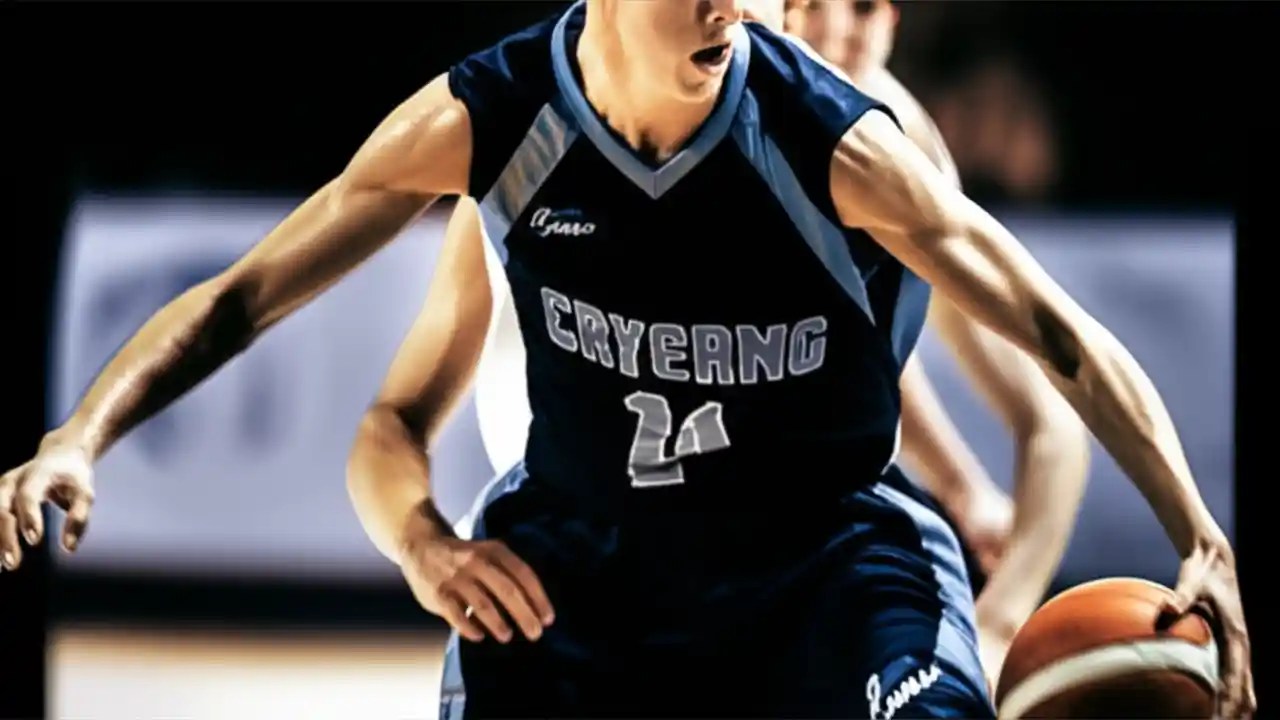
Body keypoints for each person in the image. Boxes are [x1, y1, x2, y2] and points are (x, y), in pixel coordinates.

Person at [1, 1, 1252, 718]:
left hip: (825, 571)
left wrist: (1194, 528)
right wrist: (83, 434)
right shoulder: (492, 126)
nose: (727, 6)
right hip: (584, 574)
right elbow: (246, 310)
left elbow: (1059, 338)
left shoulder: (844, 144)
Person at [780, 0, 1091, 686]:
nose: (835, 30)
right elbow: (836, 352)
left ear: (892, 19)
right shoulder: (701, 107)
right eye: (809, 5)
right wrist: (961, 483)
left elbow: (1054, 423)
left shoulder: (901, 147)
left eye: (860, 6)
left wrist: (1002, 621)